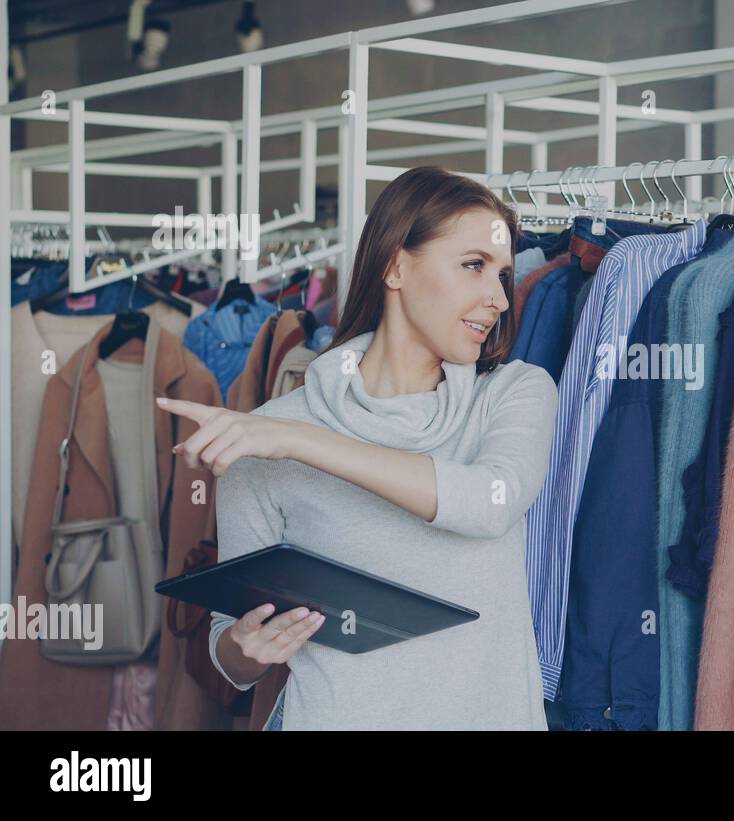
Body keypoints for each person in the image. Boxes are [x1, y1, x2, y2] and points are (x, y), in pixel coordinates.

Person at [160, 166, 559, 730]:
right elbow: (231, 660)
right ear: (395, 266)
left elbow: (489, 503)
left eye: (503, 275)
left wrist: (300, 441)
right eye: (474, 266)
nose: (497, 298)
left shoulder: (515, 393)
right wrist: (248, 647)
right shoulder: (265, 438)